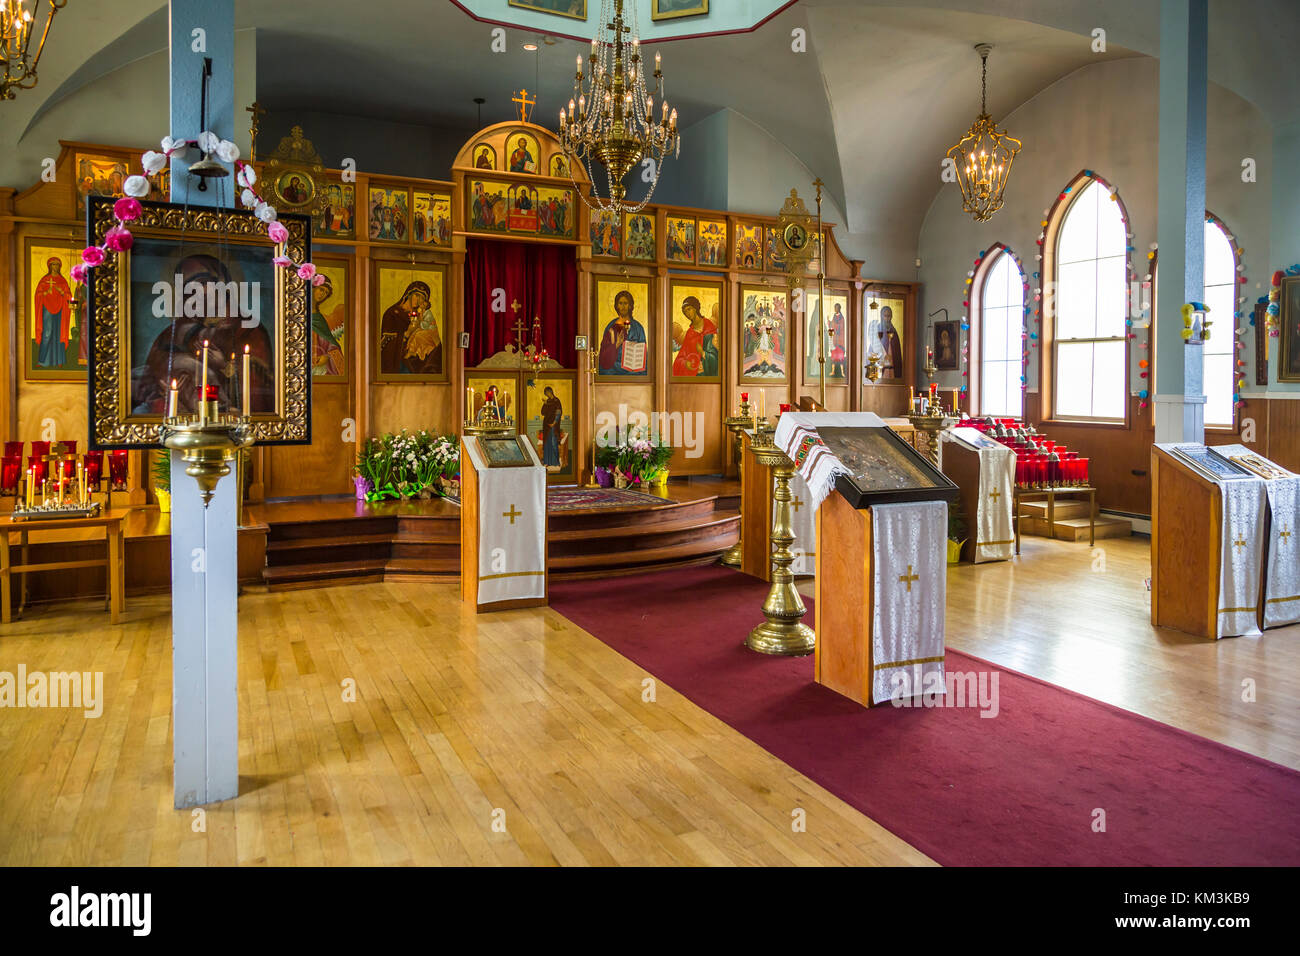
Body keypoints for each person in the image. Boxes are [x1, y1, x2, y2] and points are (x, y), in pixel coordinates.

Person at [131, 254, 274, 416]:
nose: (195, 292)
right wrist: (168, 385)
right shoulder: (173, 332)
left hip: (224, 417)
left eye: (201, 283)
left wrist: (225, 367)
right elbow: (149, 377)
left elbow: (259, 393)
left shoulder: (248, 329)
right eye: (187, 287)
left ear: (222, 284)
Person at [379, 280, 441, 375]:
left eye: (423, 298)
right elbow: (386, 345)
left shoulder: (420, 315)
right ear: (408, 294)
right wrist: (408, 333)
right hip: (398, 361)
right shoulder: (392, 314)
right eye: (417, 295)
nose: (419, 300)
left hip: (417, 358)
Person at [34, 256, 72, 369]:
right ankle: (41, 360)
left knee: (58, 333)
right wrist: (46, 292)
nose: (55, 267)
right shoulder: (44, 280)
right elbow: (38, 295)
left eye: (57, 265)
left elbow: (69, 296)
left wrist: (62, 292)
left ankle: (59, 360)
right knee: (47, 333)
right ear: (49, 266)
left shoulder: (62, 281)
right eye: (53, 264)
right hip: (47, 308)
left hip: (60, 309)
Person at [598, 290, 647, 375]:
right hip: (613, 367)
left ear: (630, 306)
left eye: (625, 303)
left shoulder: (638, 328)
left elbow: (644, 354)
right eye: (620, 303)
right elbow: (603, 353)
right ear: (617, 306)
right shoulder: (611, 326)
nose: (623, 306)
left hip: (632, 369)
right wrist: (616, 344)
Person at [672, 295, 719, 377]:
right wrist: (686, 364)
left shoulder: (709, 326)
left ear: (695, 308)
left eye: (689, 309)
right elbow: (681, 357)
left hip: (708, 374)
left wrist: (703, 354)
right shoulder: (690, 333)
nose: (687, 313)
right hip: (694, 373)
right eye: (685, 312)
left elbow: (716, 355)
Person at [310, 275, 345, 377]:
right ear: (313, 287)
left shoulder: (319, 318)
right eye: (321, 289)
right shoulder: (298, 312)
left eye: (326, 293)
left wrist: (327, 356)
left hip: (319, 368)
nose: (323, 294)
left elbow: (330, 345)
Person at [539, 386, 564, 468]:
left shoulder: (556, 401)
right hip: (546, 425)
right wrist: (545, 404)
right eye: (545, 394)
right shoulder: (547, 401)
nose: (547, 395)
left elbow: (558, 413)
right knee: (546, 442)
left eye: (547, 393)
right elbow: (542, 412)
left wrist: (554, 423)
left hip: (553, 425)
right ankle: (547, 461)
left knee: (553, 442)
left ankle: (555, 462)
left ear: (551, 392)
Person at [878, 305, 903, 379]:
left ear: (891, 317)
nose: (887, 318)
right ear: (882, 316)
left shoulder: (893, 331)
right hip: (881, 364)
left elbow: (897, 352)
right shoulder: (878, 329)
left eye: (888, 316)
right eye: (885, 316)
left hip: (892, 365)